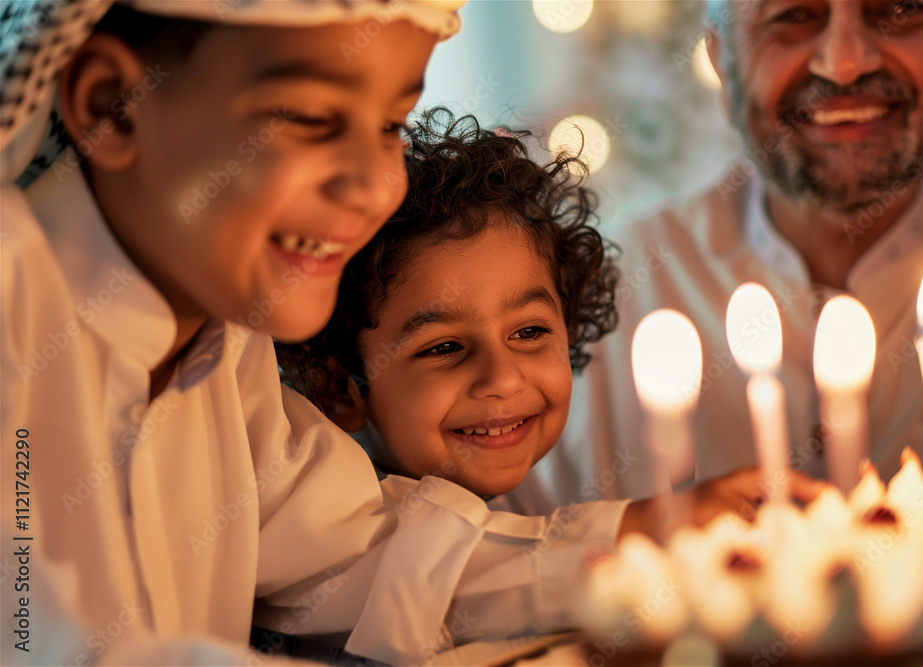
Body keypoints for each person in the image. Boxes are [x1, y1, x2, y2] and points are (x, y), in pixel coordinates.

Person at [0, 3, 816, 665]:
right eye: (313, 119)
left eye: (390, 123)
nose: (373, 187)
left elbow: (354, 554)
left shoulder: (226, 344)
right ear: (113, 105)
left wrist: (645, 537)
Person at [532, 0, 923, 510]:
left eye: (901, 9)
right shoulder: (611, 296)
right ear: (720, 58)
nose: (844, 63)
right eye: (794, 15)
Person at [275, 109, 619, 514]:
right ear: (337, 391)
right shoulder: (360, 533)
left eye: (529, 332)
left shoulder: (517, 494)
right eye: (444, 347)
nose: (504, 380)